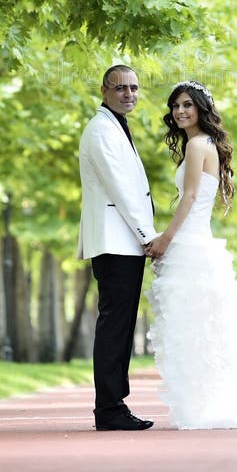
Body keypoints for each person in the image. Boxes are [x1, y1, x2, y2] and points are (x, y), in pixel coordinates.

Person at [146, 80, 237, 431]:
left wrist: (165, 239)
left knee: (193, 328)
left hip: (191, 245)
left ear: (201, 108)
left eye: (187, 105)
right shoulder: (202, 144)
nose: (180, 111)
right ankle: (201, 403)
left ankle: (203, 406)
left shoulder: (199, 145)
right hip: (199, 244)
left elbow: (189, 198)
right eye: (175, 106)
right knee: (196, 329)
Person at [78, 64, 158, 431]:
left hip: (123, 242)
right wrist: (148, 235)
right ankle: (109, 409)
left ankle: (113, 405)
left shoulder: (115, 128)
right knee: (115, 327)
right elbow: (120, 190)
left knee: (121, 326)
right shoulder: (100, 131)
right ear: (104, 91)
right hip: (117, 242)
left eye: (134, 88)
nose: (129, 94)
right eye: (121, 88)